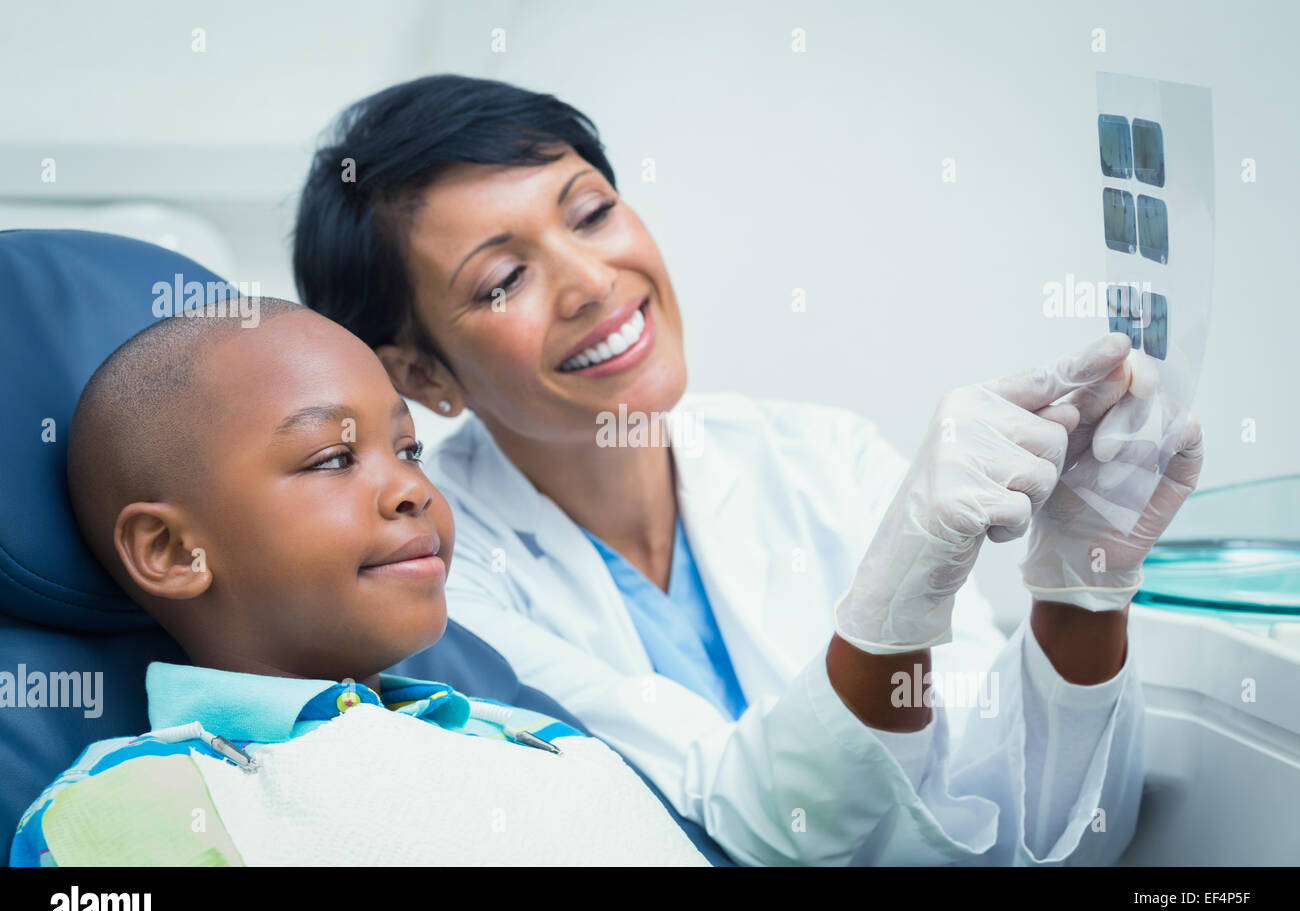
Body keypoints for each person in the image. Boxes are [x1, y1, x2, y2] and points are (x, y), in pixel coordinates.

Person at [292, 75, 1206, 866]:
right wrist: (889, 606)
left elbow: (1037, 827)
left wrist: (1081, 591)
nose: (593, 282)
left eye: (592, 212)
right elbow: (742, 828)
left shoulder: (823, 457)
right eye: (502, 281)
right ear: (419, 377)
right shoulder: (439, 580)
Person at [9, 298, 709, 866]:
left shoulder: (539, 737)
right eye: (333, 458)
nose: (409, 487)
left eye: (409, 449)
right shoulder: (128, 810)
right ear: (171, 549)